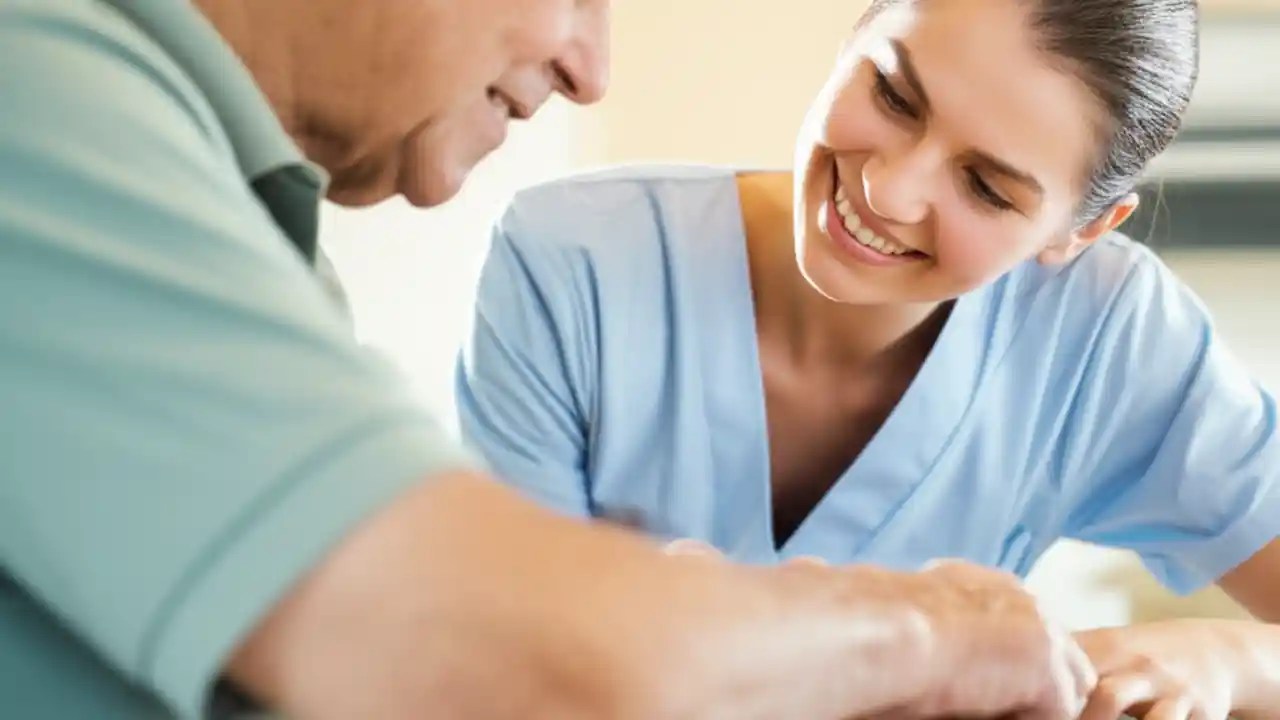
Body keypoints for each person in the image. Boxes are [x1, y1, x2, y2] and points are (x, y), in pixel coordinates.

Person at [0, 0, 1098, 718]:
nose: (589, 68)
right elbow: (500, 656)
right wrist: (940, 638)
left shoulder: (249, 236)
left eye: (990, 186)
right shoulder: (33, 91)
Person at [455, 0, 1280, 716]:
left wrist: (1226, 659)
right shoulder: (574, 260)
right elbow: (503, 670)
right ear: (857, 31)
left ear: (1081, 231)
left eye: (986, 188)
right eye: (892, 94)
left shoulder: (1108, 339)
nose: (889, 191)